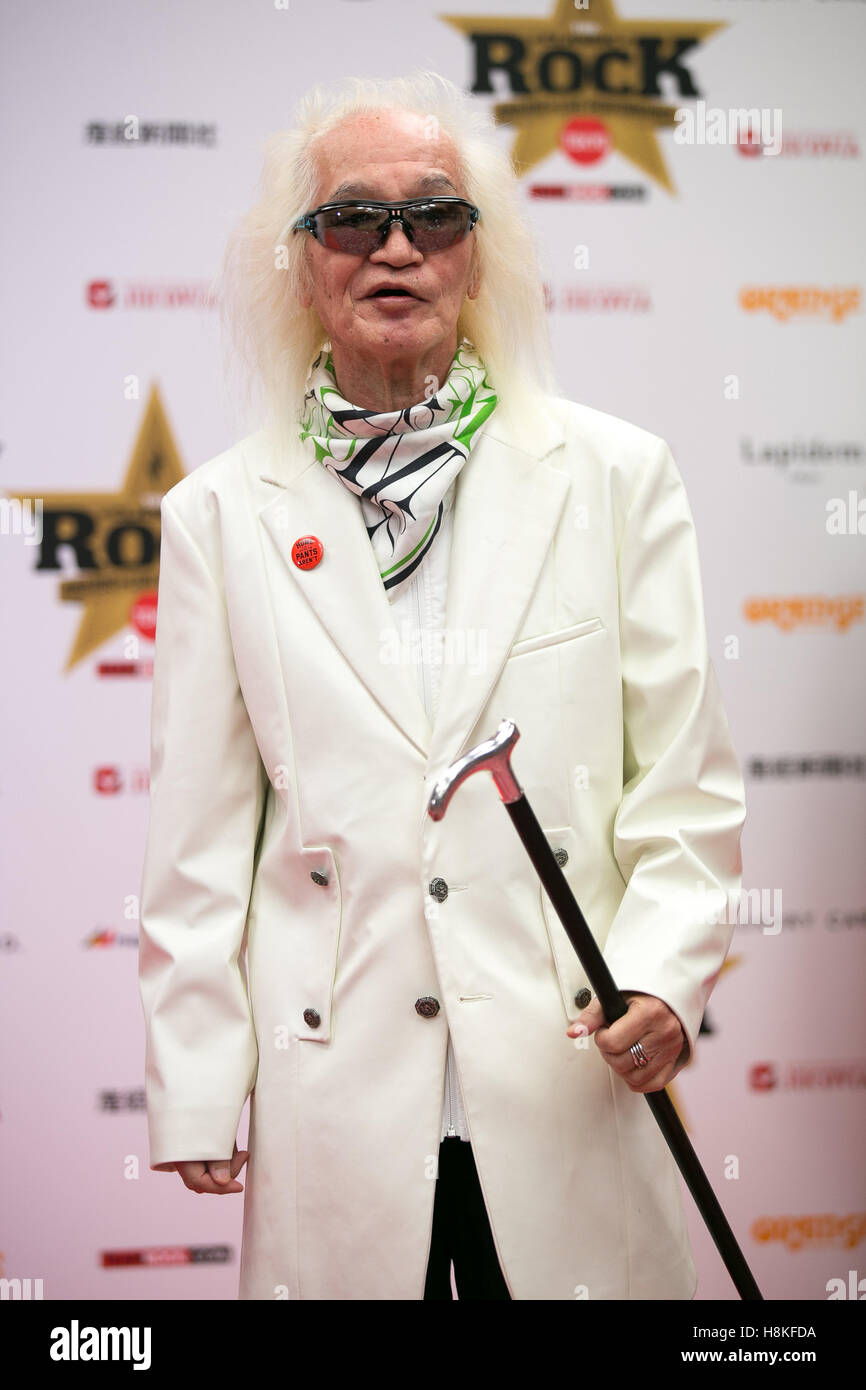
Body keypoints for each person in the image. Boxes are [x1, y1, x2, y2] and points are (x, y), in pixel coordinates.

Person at [138, 70, 746, 1301]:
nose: (396, 249)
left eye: (436, 218)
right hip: (337, 1097)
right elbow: (197, 835)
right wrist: (197, 1079)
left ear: (480, 257)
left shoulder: (615, 478)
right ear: (301, 263)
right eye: (353, 219)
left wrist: (668, 980)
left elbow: (681, 791)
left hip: (567, 1074)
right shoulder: (216, 514)